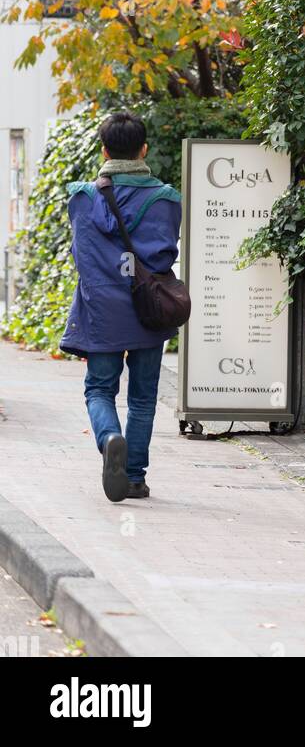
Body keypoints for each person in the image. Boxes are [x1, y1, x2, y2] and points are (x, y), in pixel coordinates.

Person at [60, 111, 182, 502]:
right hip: (147, 308)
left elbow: (82, 254)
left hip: (100, 310)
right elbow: (164, 256)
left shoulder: (82, 197)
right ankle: (133, 478)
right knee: (143, 397)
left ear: (104, 150)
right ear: (144, 149)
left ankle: (109, 436)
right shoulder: (165, 198)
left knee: (99, 389)